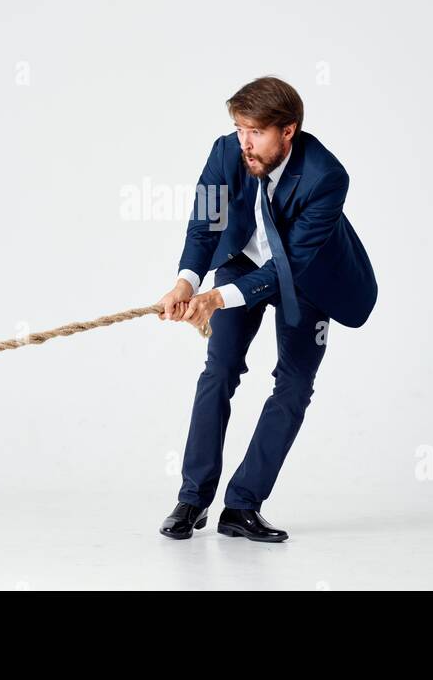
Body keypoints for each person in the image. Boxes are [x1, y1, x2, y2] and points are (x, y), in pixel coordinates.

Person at [156, 76, 378, 542]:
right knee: (219, 370)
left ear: (288, 131)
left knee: (294, 386)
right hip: (242, 263)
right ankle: (192, 497)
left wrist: (214, 299)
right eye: (240, 129)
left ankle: (242, 506)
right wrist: (186, 282)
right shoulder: (224, 154)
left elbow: (287, 265)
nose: (245, 143)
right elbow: (205, 224)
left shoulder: (327, 177)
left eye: (255, 132)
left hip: (308, 278)